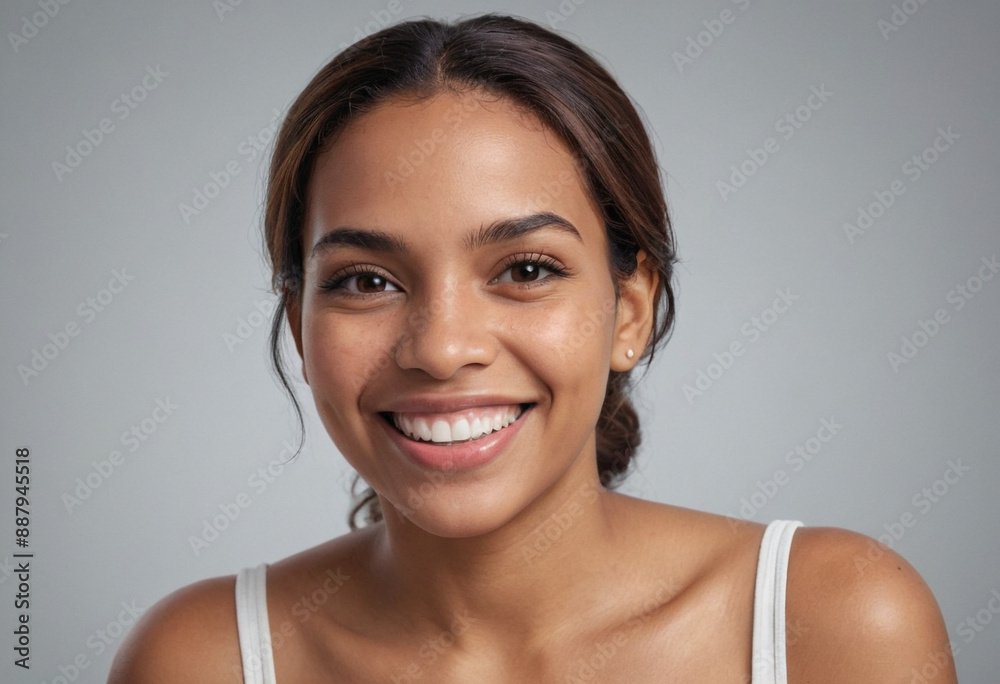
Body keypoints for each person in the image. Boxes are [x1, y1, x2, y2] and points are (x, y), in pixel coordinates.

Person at [109, 14, 957, 683]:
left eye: (524, 268)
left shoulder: (833, 620)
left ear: (630, 310)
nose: (441, 348)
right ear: (299, 327)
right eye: (366, 280)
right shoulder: (199, 660)